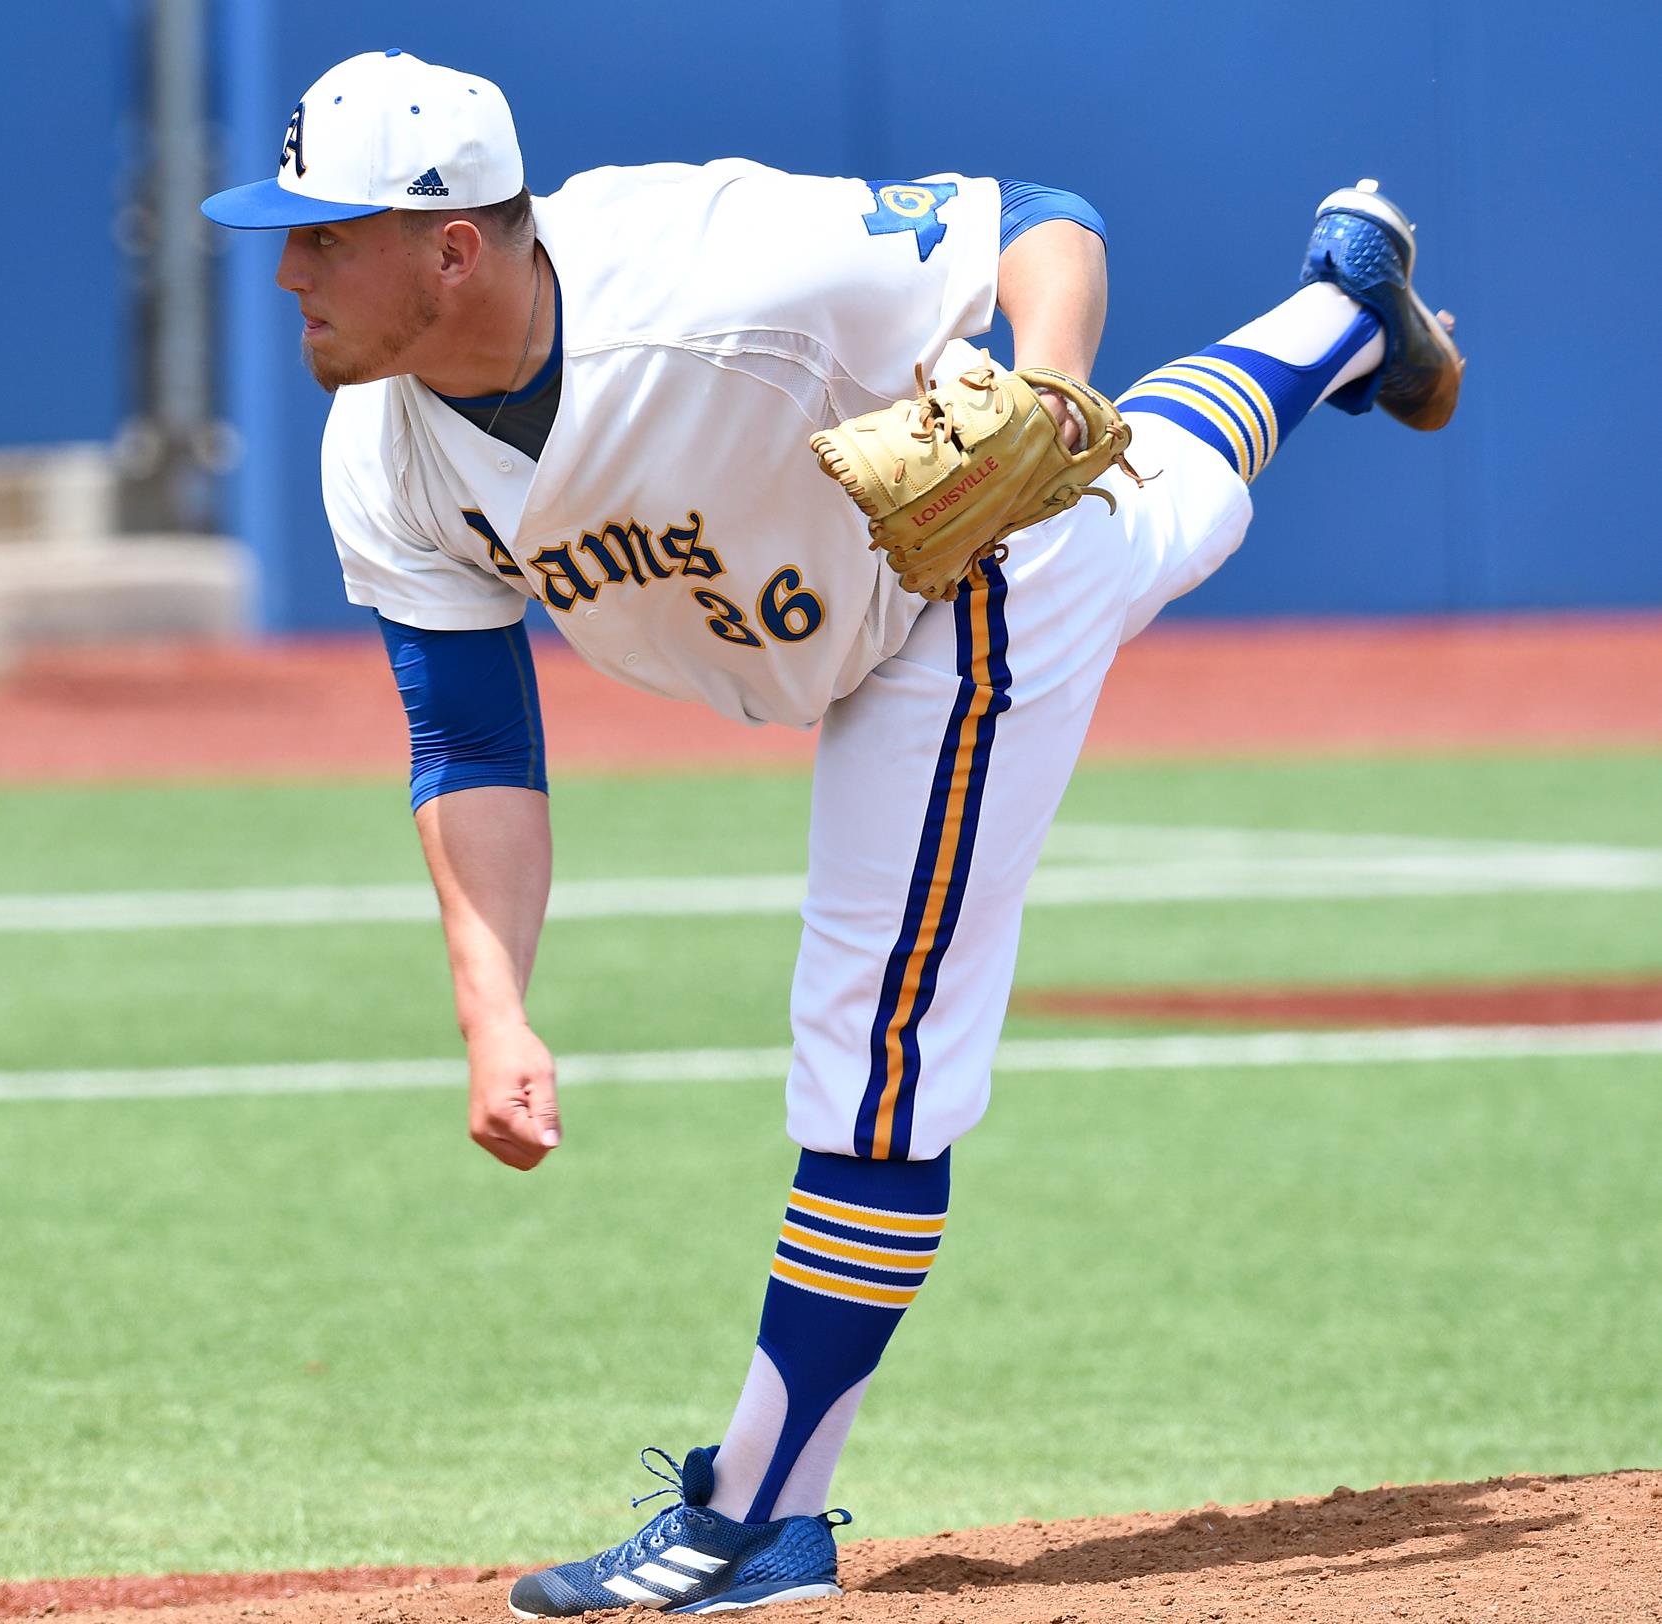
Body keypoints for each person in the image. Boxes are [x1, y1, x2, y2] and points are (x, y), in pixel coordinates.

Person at [201, 49, 1462, 1618]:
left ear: (453, 245)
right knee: (1163, 500)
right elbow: (470, 740)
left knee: (871, 1037)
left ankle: (759, 1517)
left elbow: (1041, 218)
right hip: (859, 610)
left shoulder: (713, 266)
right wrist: (493, 1003)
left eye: (326, 233)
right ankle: (1347, 314)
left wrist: (1046, 387)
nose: (287, 268)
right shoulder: (378, 452)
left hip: (968, 579)